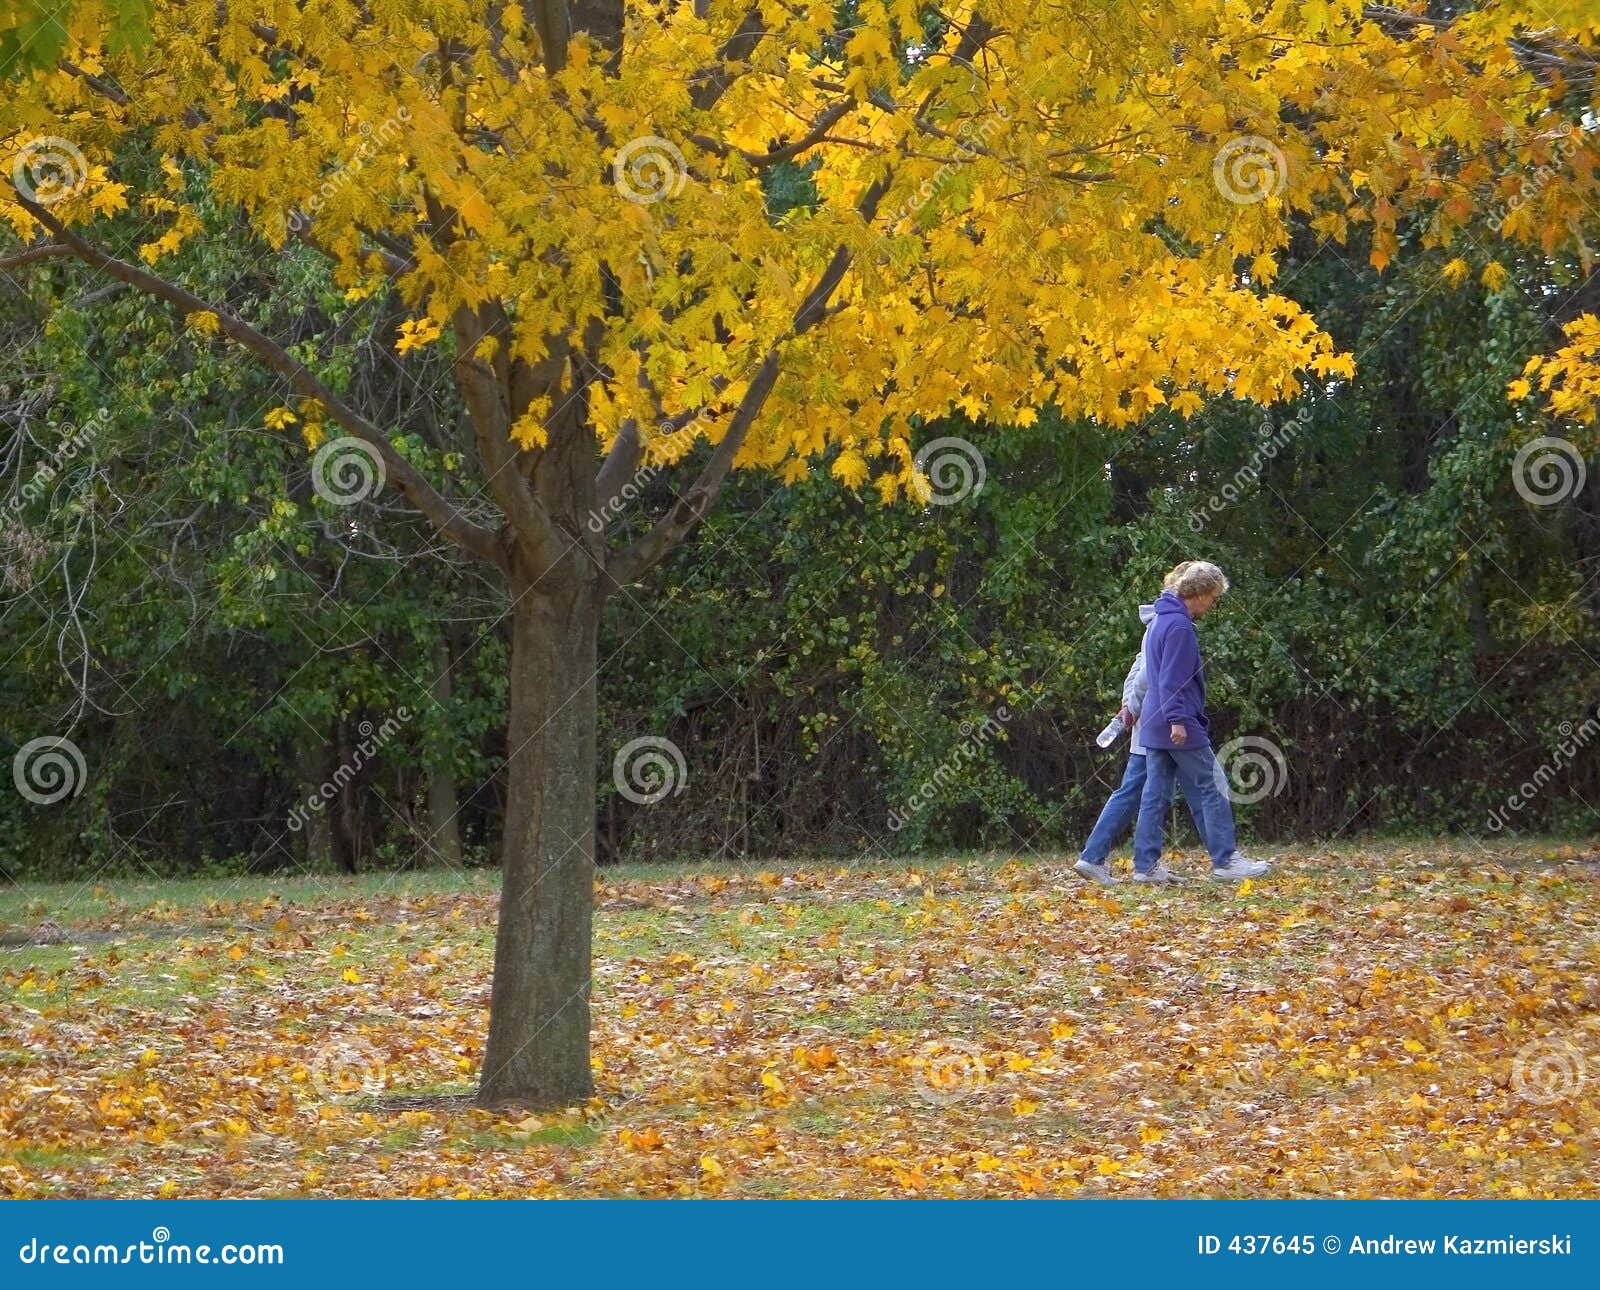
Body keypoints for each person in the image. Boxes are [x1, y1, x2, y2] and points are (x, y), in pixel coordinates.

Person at [1073, 563, 1226, 886]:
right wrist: (1130, 710)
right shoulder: (1168, 622)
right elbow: (1146, 675)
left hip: (1153, 717)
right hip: (1156, 720)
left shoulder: (1162, 618)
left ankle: (1107, 858)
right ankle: (1112, 859)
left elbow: (1141, 671)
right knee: (1145, 791)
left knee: (1141, 791)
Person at [1129, 561, 1269, 884]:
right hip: (1175, 720)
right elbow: (1171, 678)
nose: (1213, 603)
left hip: (1153, 719)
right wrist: (1178, 719)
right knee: (1213, 783)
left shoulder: (1160, 619)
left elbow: (1156, 676)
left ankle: (1145, 866)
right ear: (1202, 593)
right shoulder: (1179, 626)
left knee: (1156, 793)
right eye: (1213, 597)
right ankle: (1226, 860)